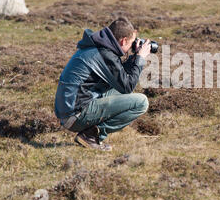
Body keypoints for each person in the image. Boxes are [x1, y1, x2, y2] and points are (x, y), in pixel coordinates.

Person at [54, 16, 151, 152]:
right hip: (74, 115)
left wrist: (134, 56)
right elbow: (128, 86)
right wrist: (140, 59)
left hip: (70, 108)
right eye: (132, 42)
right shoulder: (105, 54)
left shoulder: (98, 46)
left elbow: (121, 79)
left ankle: (90, 134)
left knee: (120, 90)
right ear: (123, 41)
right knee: (141, 102)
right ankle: (91, 136)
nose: (133, 45)